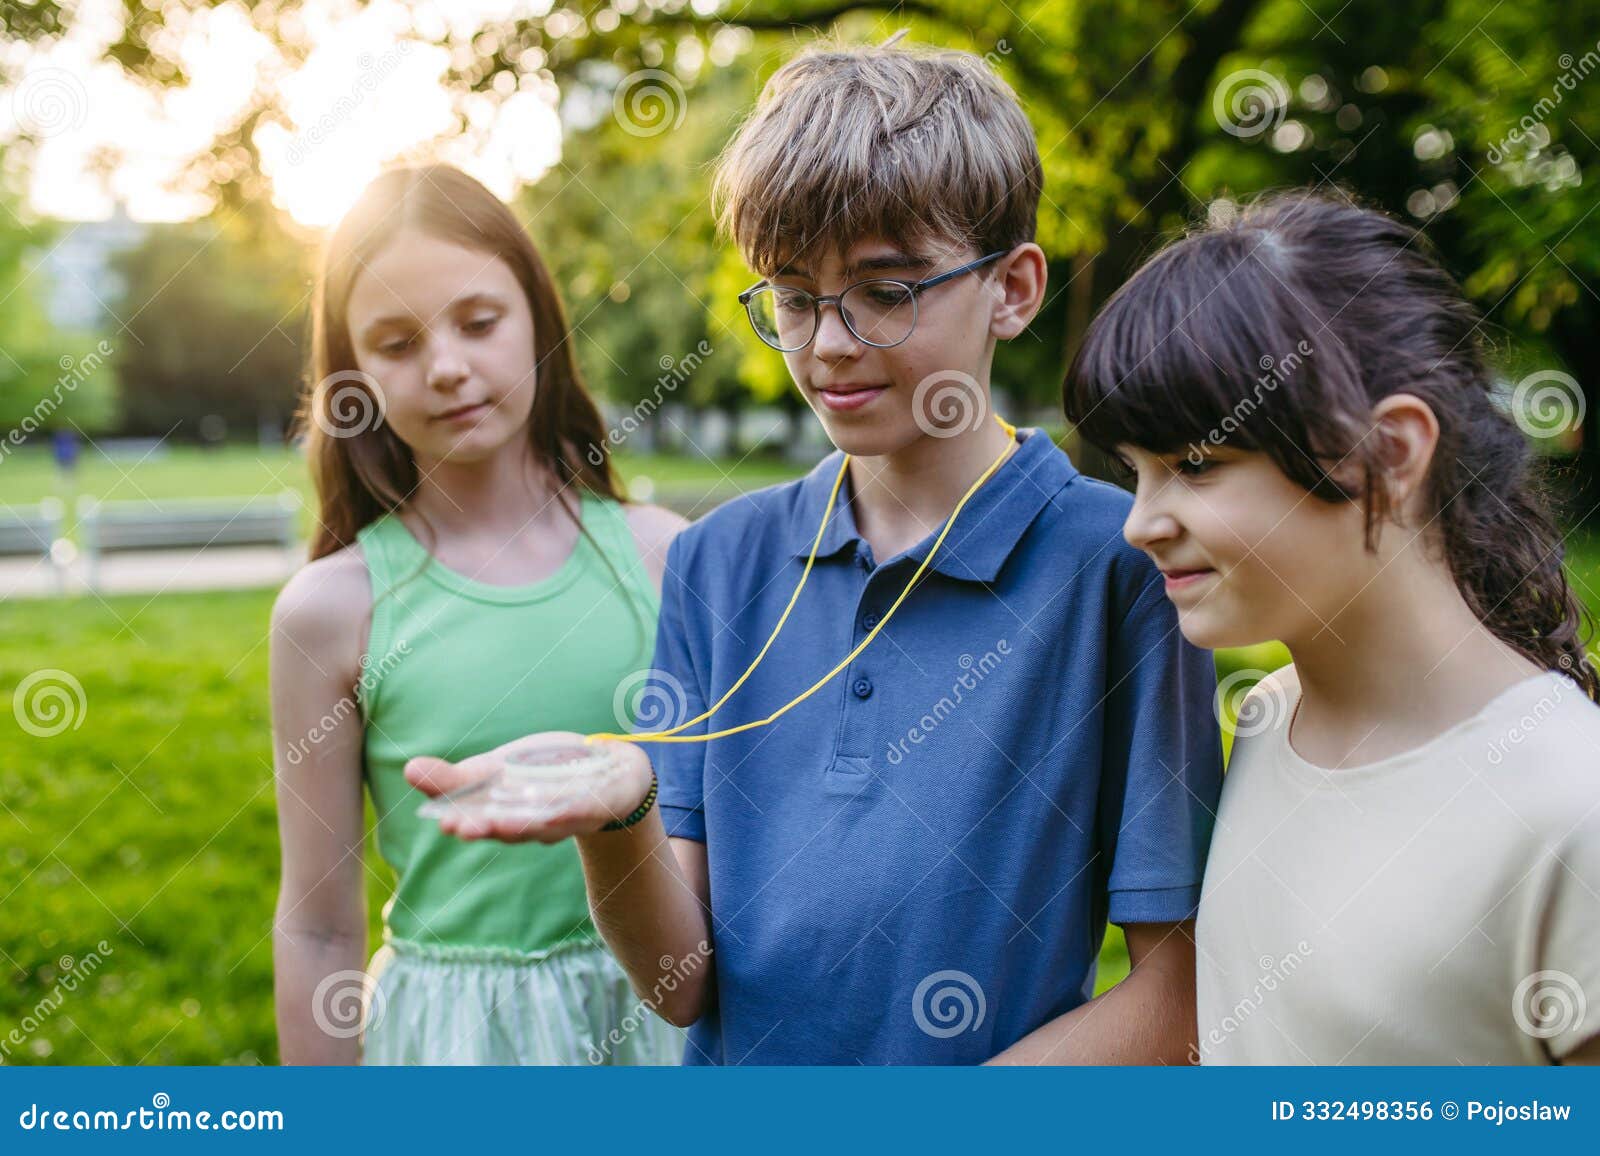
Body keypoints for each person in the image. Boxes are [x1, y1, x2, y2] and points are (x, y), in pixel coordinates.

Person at [406, 41, 1222, 1065]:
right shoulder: (719, 562)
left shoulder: (1121, 563)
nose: (828, 343)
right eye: (793, 296)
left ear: (1012, 289)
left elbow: (1178, 1003)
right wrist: (620, 820)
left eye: (886, 291)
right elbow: (684, 986)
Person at [1063, 189, 1600, 1064]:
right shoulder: (1269, 719)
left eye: (1197, 464)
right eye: (1137, 473)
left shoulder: (1572, 807)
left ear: (1392, 452)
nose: (1140, 523)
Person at [270, 163, 686, 1065]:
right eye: (395, 342)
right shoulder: (331, 611)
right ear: (353, 374)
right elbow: (318, 932)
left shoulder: (664, 555)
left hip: (659, 1025)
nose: (448, 366)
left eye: (479, 321)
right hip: (452, 1048)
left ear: (537, 314)